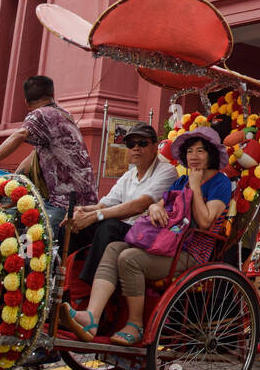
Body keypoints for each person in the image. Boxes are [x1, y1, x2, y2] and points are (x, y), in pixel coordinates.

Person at [60, 127, 232, 345]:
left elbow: (206, 221)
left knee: (129, 258)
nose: (194, 157)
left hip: (190, 252)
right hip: (165, 243)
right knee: (114, 248)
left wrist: (196, 187)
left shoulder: (220, 183)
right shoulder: (180, 181)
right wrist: (154, 209)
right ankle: (91, 316)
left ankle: (135, 324)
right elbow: (159, 205)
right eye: (190, 151)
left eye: (200, 151)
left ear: (211, 155)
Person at [0, 75, 97, 234]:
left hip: (64, 205)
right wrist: (12, 184)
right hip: (86, 202)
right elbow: (33, 157)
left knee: (8, 230)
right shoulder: (63, 115)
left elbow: (20, 134)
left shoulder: (41, 114)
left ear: (26, 103)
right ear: (53, 95)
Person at [66, 122, 175, 286]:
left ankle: (86, 286)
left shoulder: (166, 171)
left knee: (108, 226)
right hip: (124, 228)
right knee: (71, 225)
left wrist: (95, 216)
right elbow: (104, 205)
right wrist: (81, 211)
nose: (136, 148)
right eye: (131, 144)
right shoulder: (128, 175)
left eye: (142, 143)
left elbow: (140, 205)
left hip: (144, 232)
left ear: (155, 147)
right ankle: (60, 279)